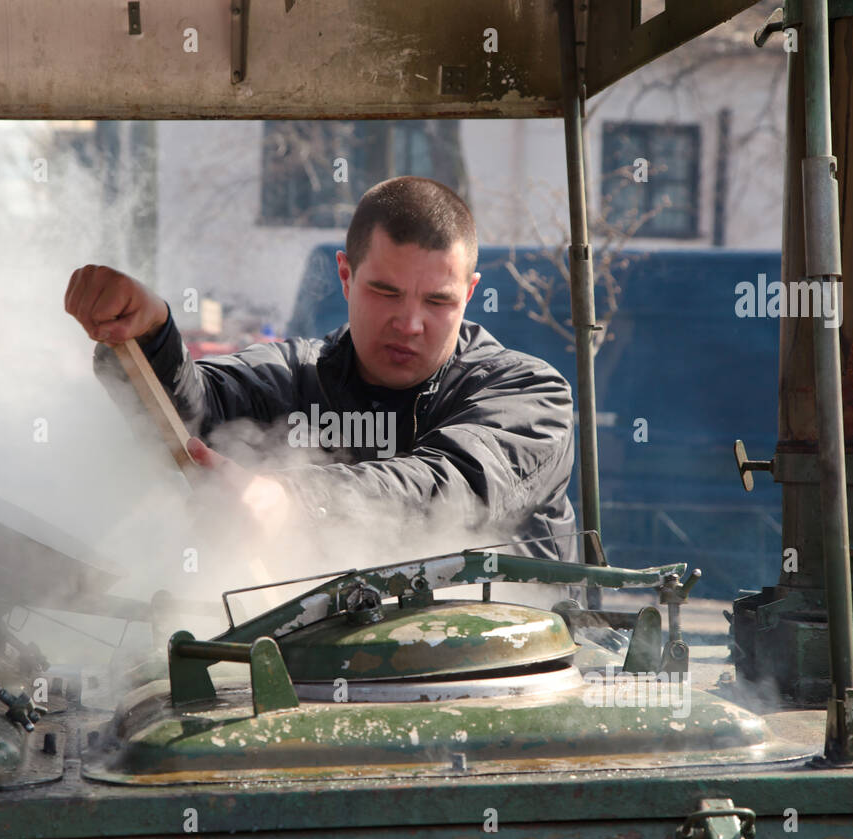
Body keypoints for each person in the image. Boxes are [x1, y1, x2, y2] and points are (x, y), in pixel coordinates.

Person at [64, 175, 579, 565]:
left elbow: (456, 485)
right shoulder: (290, 377)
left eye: (438, 301)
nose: (410, 322)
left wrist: (293, 501)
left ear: (469, 295)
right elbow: (190, 415)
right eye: (385, 291)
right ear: (345, 275)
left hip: (523, 688)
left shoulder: (531, 396)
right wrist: (150, 333)